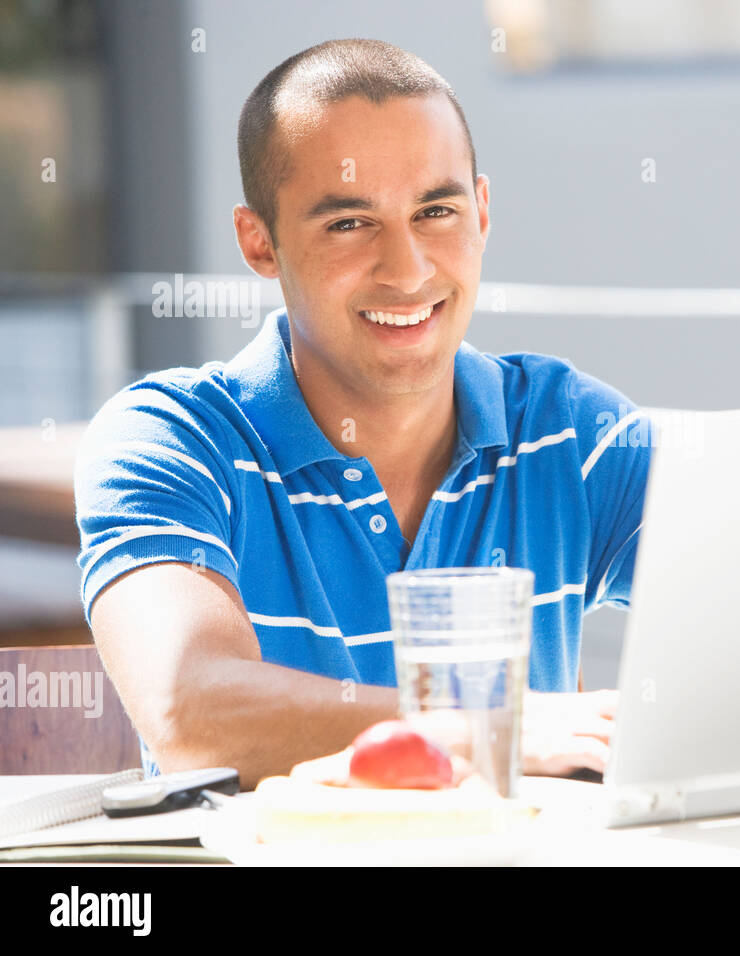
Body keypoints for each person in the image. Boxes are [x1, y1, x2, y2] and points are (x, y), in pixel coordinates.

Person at [74, 38, 650, 787]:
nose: (407, 270)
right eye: (349, 224)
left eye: (435, 211)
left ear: (481, 213)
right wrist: (490, 731)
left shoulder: (570, 434)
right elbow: (188, 711)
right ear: (260, 242)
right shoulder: (173, 440)